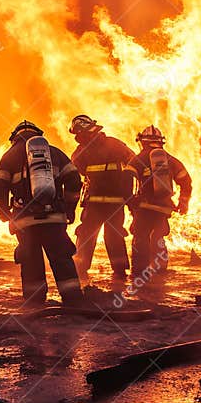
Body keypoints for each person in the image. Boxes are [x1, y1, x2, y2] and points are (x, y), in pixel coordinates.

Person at [0, 120, 84, 306]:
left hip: (25, 223)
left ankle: (34, 304)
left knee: (31, 262)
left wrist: (4, 212)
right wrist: (69, 208)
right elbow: (74, 180)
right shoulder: (55, 152)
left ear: (15, 137)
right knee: (62, 259)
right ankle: (74, 300)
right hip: (55, 219)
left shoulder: (9, 156)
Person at [68, 115, 135, 281]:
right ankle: (116, 272)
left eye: (78, 133)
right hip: (109, 203)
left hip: (99, 203)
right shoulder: (114, 144)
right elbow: (135, 163)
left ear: (85, 131)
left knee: (91, 234)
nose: (77, 137)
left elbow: (134, 164)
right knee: (103, 235)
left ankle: (83, 269)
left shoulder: (82, 151)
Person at [126, 125, 192, 280]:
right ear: (161, 141)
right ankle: (160, 268)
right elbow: (186, 181)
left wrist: (130, 200)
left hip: (143, 207)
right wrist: (183, 202)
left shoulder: (139, 159)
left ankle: (139, 271)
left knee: (141, 237)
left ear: (142, 141)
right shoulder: (170, 159)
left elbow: (127, 179)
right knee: (158, 236)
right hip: (163, 208)